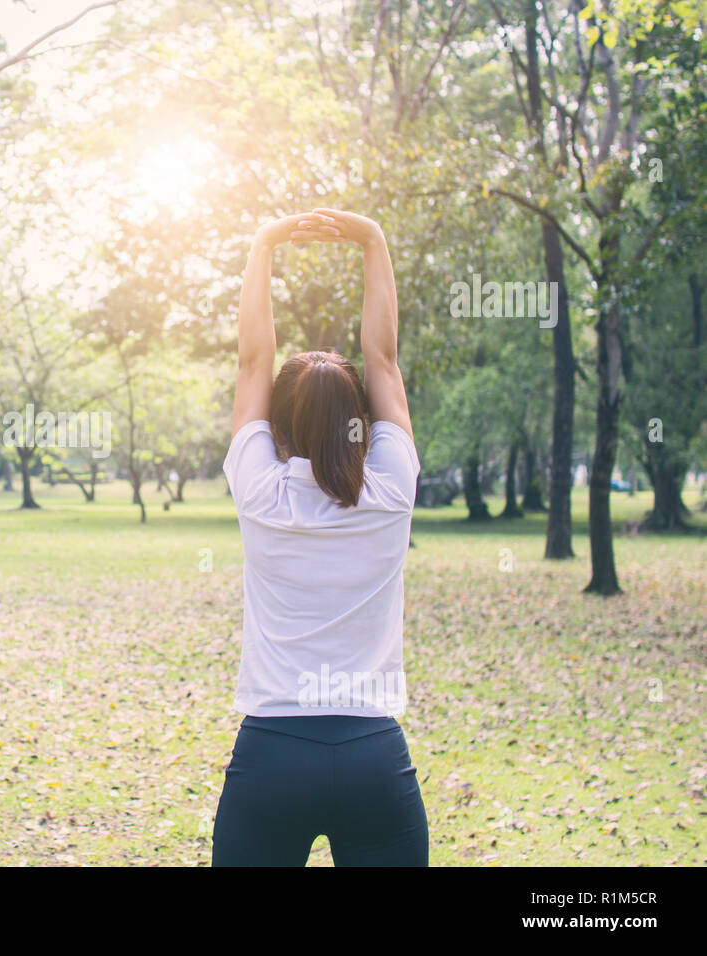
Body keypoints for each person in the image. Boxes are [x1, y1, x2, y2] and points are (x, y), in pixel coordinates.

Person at [211, 208, 429, 866]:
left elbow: (254, 364)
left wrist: (263, 242)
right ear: (363, 422)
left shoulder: (262, 492)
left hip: (271, 758)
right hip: (373, 761)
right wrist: (373, 238)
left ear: (278, 430)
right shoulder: (391, 489)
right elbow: (383, 361)